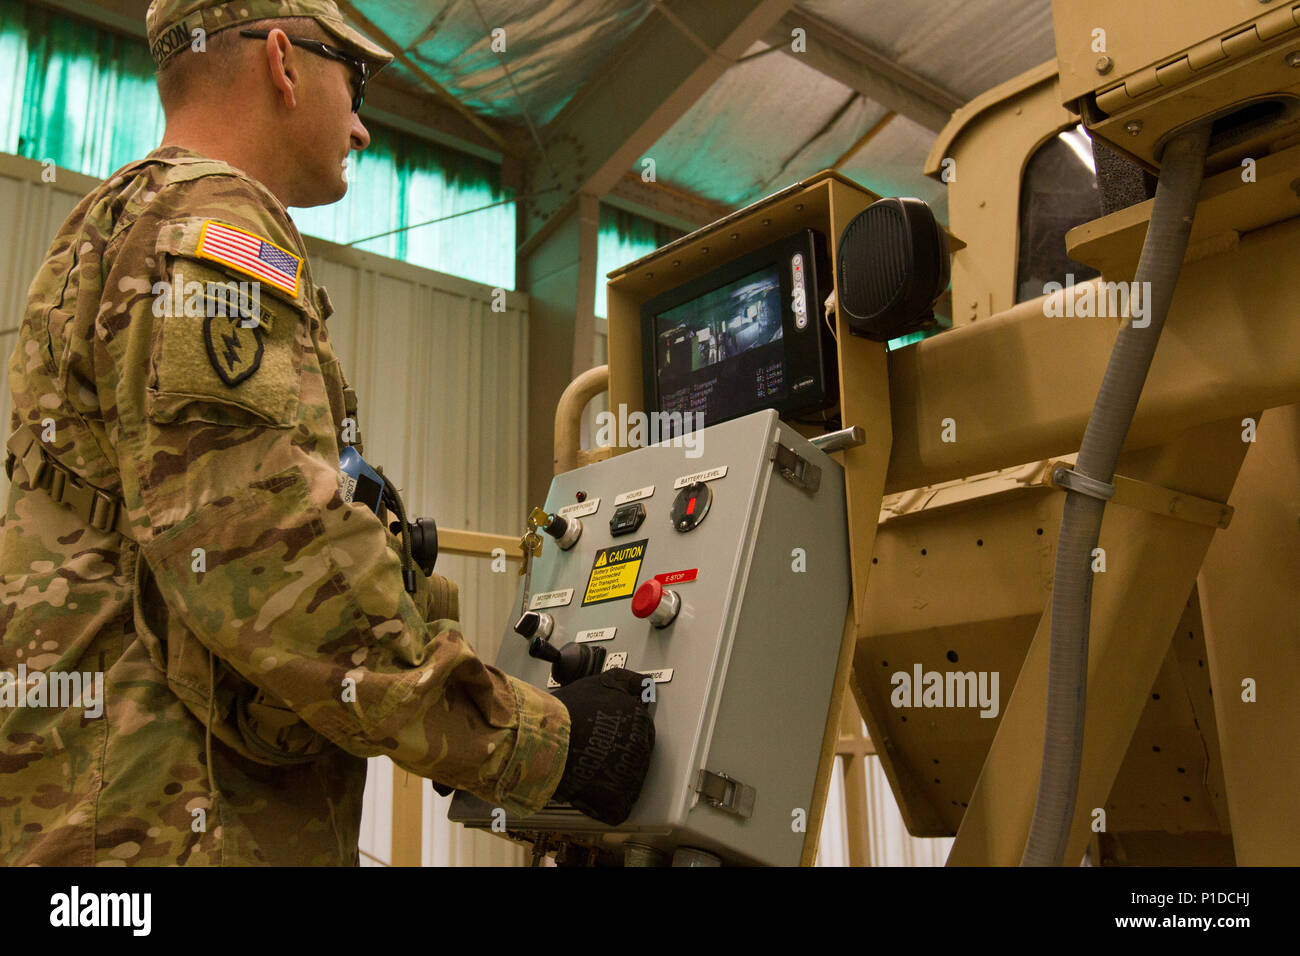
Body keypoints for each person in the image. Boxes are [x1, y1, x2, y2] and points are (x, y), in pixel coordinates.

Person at [0, 0, 652, 866]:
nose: (362, 125)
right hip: (173, 818)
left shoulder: (111, 219)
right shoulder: (217, 224)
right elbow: (266, 548)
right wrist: (541, 743)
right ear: (281, 60)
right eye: (356, 79)